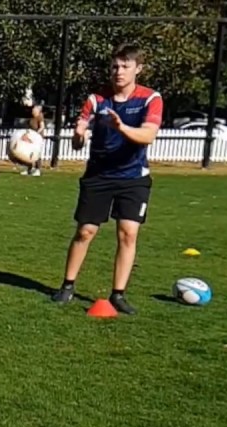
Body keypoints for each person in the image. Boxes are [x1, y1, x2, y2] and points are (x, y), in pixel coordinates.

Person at [51, 44, 163, 315]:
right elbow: (78, 143)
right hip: (98, 176)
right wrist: (78, 134)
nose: (119, 72)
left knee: (128, 233)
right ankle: (67, 286)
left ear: (138, 69)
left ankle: (119, 294)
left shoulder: (150, 99)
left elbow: (148, 135)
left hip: (133, 178)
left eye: (125, 66)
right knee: (85, 231)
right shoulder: (96, 99)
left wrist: (121, 127)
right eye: (115, 66)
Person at [26, 104, 45, 176]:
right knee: (29, 153)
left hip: (37, 138)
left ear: (38, 111)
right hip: (31, 138)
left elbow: (42, 127)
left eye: (34, 110)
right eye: (32, 110)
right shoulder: (31, 118)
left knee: (37, 154)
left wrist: (36, 133)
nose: (32, 111)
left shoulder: (40, 117)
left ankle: (38, 170)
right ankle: (29, 169)